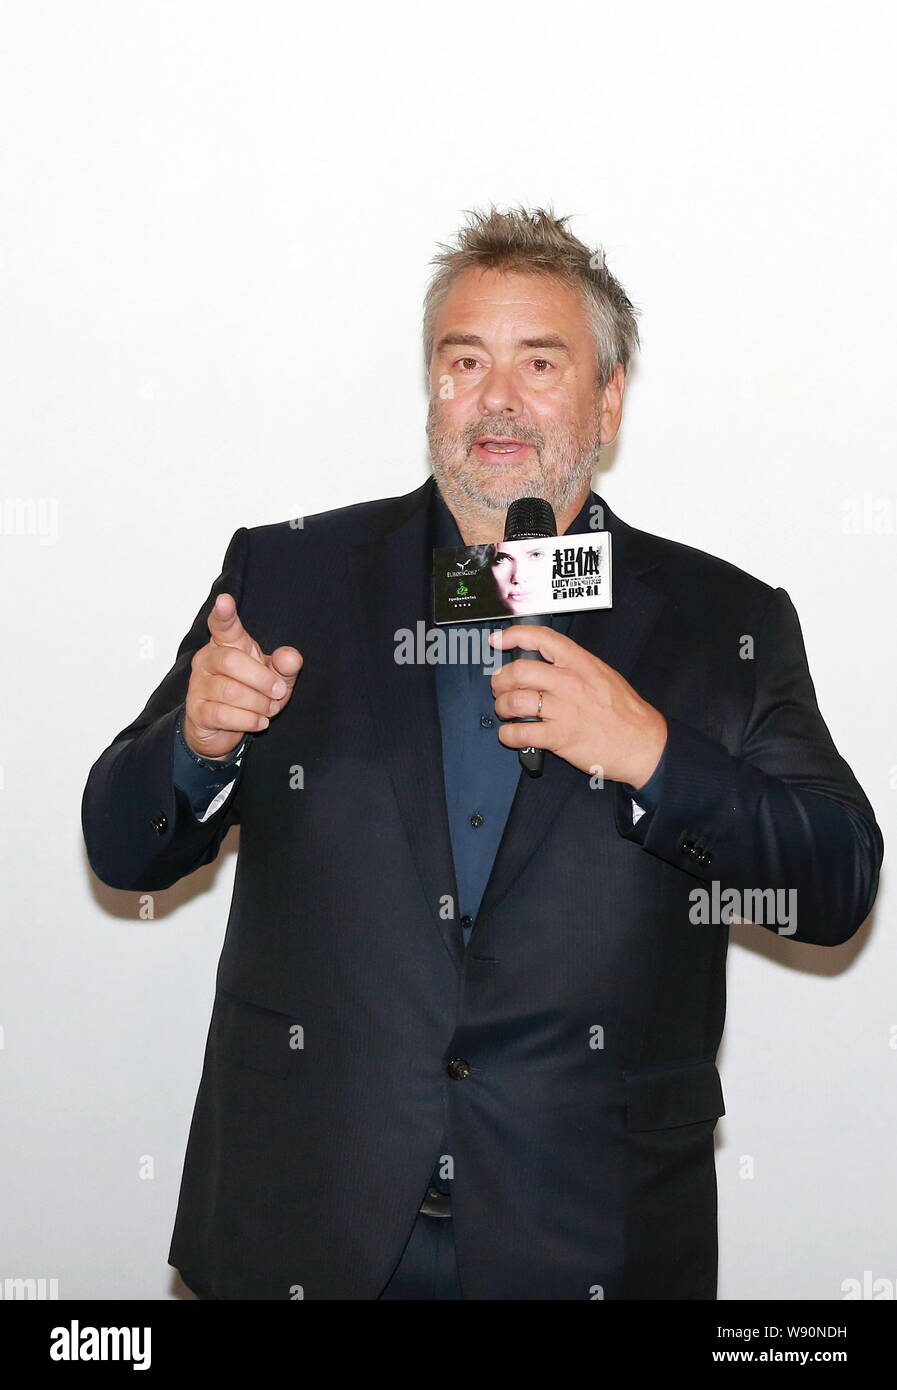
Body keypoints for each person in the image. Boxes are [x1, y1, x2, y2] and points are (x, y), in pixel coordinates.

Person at [81, 205, 884, 1300]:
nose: (497, 398)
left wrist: (655, 754)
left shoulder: (720, 619)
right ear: (433, 390)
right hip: (303, 1228)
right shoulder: (289, 575)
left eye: (539, 362)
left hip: (590, 1239)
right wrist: (195, 741)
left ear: (607, 401)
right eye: (466, 360)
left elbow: (834, 884)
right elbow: (123, 846)